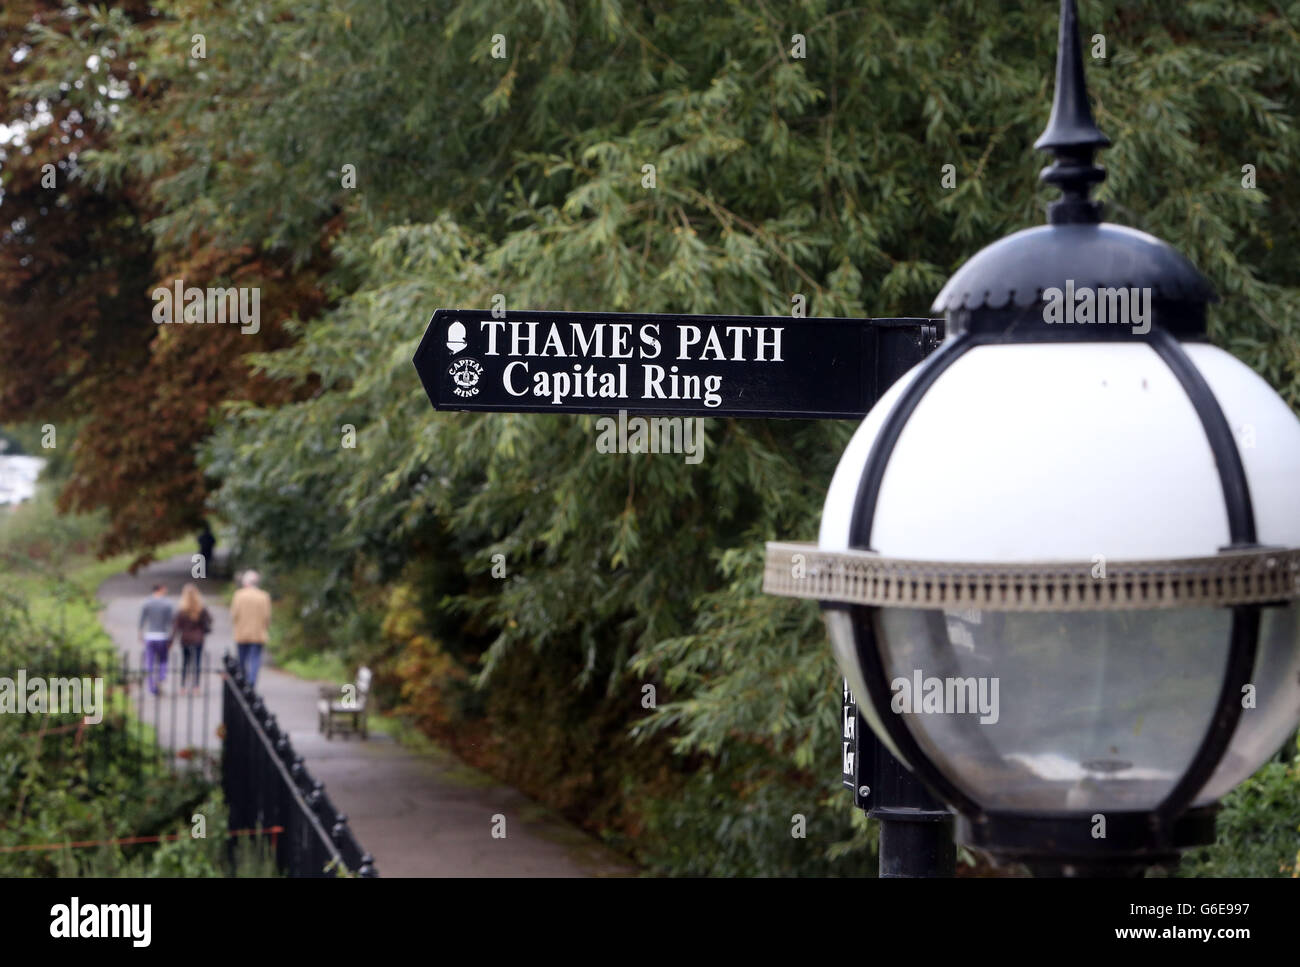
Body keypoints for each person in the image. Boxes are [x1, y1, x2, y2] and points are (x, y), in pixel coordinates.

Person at [230, 569, 271, 687]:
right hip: (258, 633)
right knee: (255, 659)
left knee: (242, 660)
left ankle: (243, 681)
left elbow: (234, 614)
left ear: (245, 582)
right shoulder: (264, 596)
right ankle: (252, 682)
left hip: (242, 633)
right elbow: (267, 616)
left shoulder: (239, 595)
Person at [172, 582, 212, 696]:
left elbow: (176, 626)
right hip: (198, 638)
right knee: (197, 663)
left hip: (186, 639)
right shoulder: (201, 609)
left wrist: (171, 639)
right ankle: (196, 686)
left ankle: (183, 686)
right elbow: (209, 621)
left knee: (185, 662)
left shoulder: (182, 610)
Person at [138, 583, 175, 696]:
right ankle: (161, 677)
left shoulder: (147, 602)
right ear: (160, 589)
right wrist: (171, 637)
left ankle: (151, 686)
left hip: (150, 636)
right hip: (162, 635)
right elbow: (171, 622)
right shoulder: (167, 604)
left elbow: (142, 620)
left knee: (150, 662)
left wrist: (140, 633)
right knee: (163, 660)